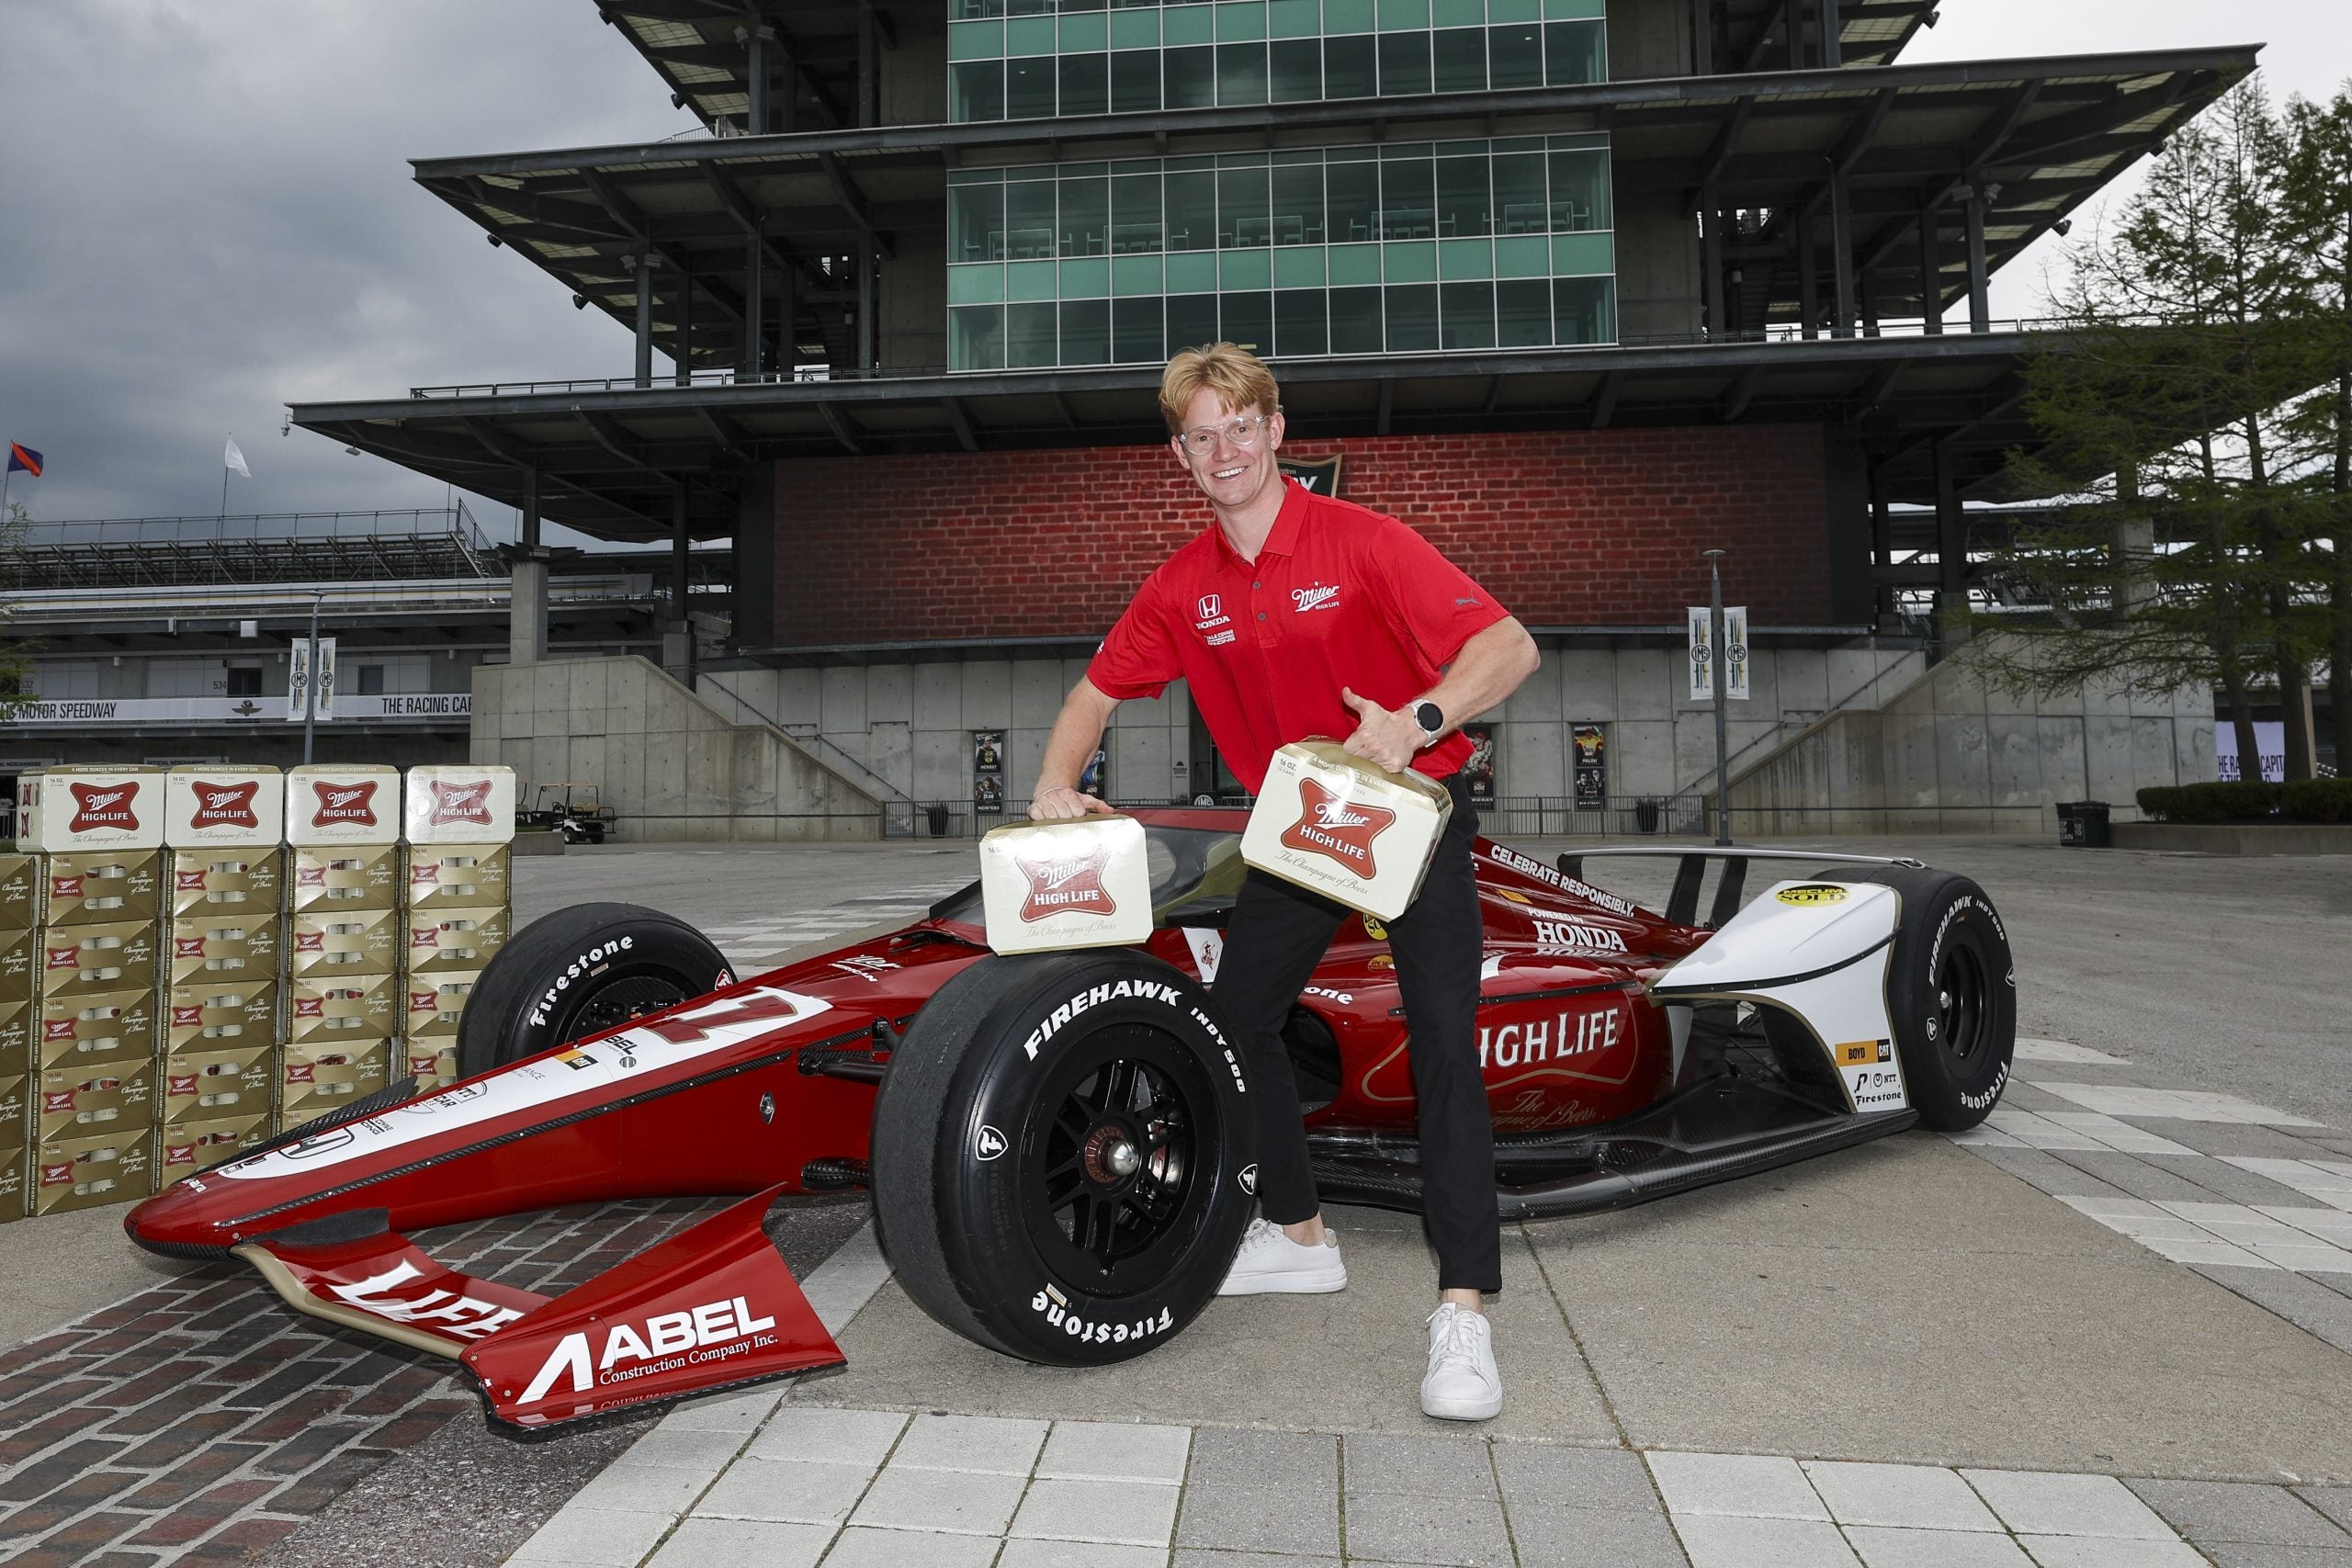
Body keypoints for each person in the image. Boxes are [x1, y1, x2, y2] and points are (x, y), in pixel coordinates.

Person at [1030, 343, 1540, 1421]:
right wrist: (1052, 785)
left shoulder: (1363, 543)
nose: (1224, 450)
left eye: (1239, 427)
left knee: (1445, 1042)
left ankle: (1463, 1312)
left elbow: (1509, 645)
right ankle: (1301, 1235)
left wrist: (1419, 719)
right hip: (1299, 827)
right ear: (1181, 455)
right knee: (1236, 1023)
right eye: (1200, 435)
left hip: (1409, 813)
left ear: (1275, 432)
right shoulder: (1182, 585)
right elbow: (1093, 691)